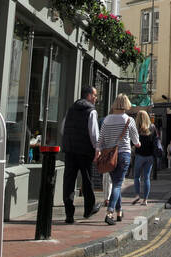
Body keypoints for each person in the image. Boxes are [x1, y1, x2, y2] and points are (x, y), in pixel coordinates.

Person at [60, 84, 100, 223]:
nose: (95, 98)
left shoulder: (71, 109)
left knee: (69, 181)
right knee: (87, 179)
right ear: (88, 96)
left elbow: (63, 128)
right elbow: (94, 133)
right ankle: (89, 209)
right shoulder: (91, 111)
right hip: (85, 150)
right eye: (94, 95)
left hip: (70, 150)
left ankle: (69, 214)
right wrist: (97, 149)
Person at [97, 94, 140, 225]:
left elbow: (100, 139)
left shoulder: (107, 120)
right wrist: (138, 144)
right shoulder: (129, 120)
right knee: (117, 184)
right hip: (123, 155)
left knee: (116, 182)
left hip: (109, 156)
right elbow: (136, 141)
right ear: (126, 104)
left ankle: (119, 211)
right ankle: (110, 212)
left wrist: (99, 151)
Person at [131, 109, 158, 205]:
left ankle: (137, 195)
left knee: (136, 176)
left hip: (139, 156)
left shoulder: (136, 128)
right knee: (146, 178)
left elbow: (132, 142)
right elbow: (155, 142)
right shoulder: (153, 127)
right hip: (149, 156)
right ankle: (145, 200)